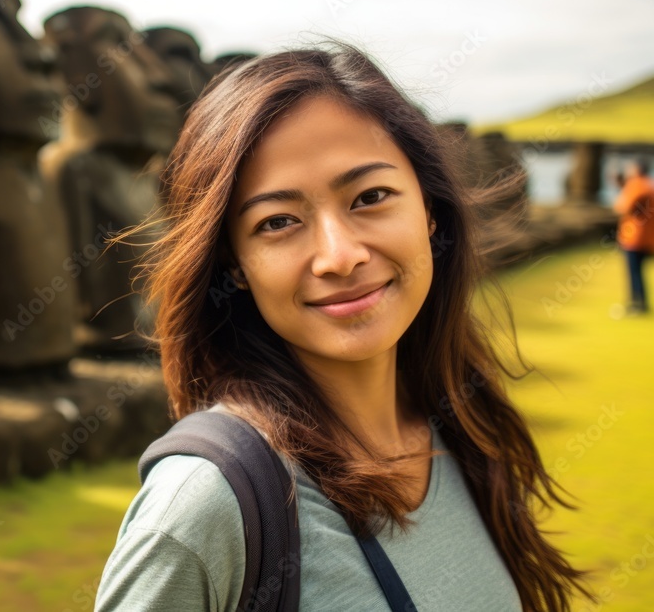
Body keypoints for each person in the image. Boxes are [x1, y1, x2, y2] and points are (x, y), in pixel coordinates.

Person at [95, 44, 594, 611]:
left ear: (429, 210)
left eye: (370, 197)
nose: (338, 256)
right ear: (233, 263)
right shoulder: (205, 506)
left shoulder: (462, 426)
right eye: (277, 221)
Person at [612, 159, 654, 314]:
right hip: (647, 237)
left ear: (637, 169)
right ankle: (640, 303)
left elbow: (622, 207)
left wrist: (622, 192)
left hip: (634, 238)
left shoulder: (636, 185)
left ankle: (637, 305)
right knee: (638, 273)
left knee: (634, 273)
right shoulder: (648, 184)